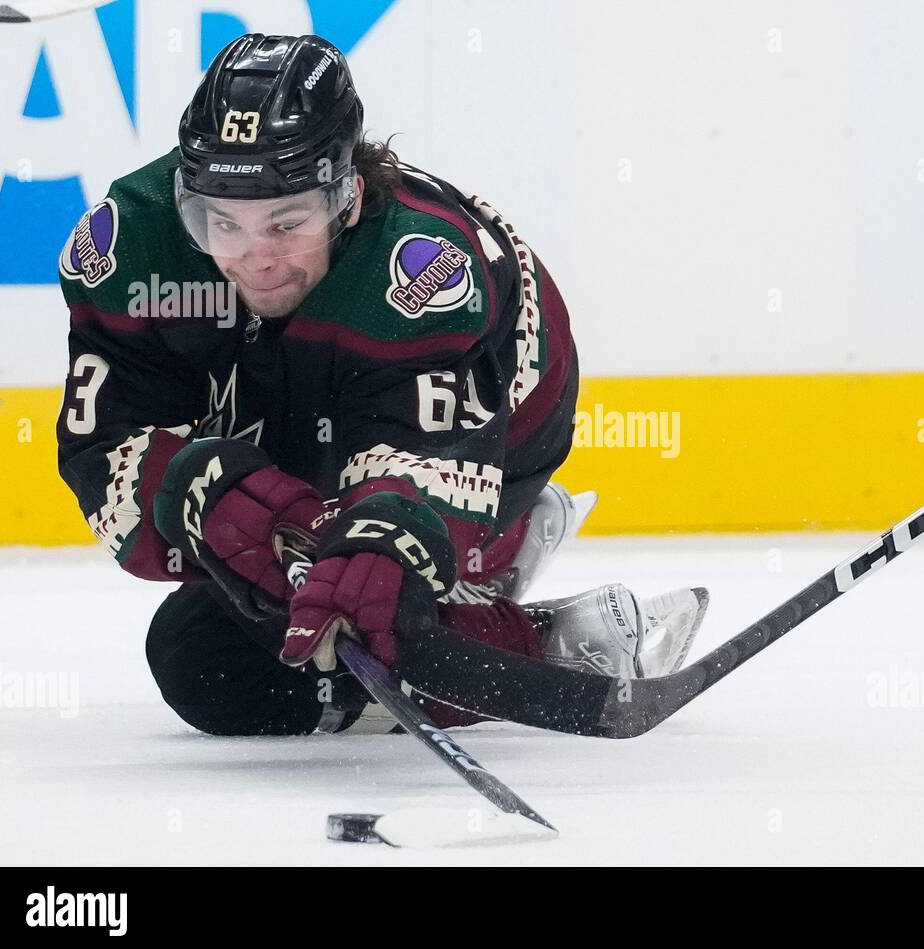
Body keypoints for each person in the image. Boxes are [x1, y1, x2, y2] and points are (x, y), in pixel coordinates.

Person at [55, 33, 706, 736]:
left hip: (498, 430)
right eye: (222, 223)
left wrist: (386, 542)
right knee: (202, 659)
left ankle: (516, 565)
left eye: (287, 221)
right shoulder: (130, 243)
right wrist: (204, 497)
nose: (255, 258)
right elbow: (107, 447)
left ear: (348, 194)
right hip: (292, 408)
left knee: (372, 587)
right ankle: (518, 608)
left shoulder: (422, 273)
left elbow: (424, 464)